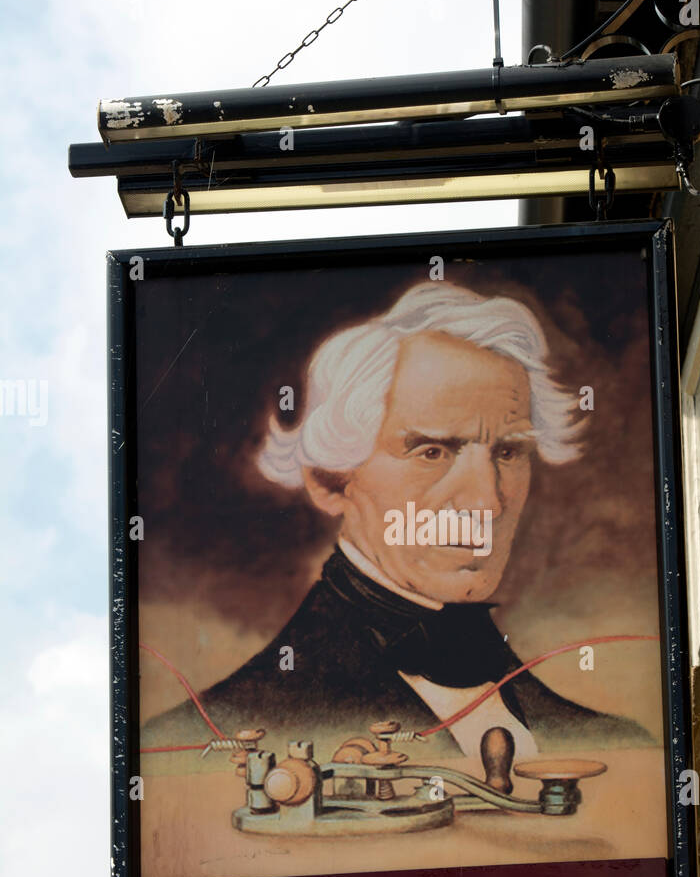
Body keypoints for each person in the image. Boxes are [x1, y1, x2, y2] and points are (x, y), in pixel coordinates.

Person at [144, 282, 652, 758]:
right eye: (432, 451)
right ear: (330, 481)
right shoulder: (201, 738)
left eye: (508, 451)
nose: (487, 503)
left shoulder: (618, 745)